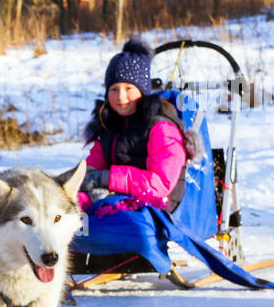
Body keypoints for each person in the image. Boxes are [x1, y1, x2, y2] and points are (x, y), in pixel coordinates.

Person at [79, 37, 195, 212]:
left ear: (142, 91)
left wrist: (107, 178)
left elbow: (160, 184)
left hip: (157, 206)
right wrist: (73, 182)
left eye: (129, 89)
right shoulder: (110, 124)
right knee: (69, 207)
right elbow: (92, 167)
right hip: (119, 197)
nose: (121, 97)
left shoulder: (161, 128)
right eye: (114, 89)